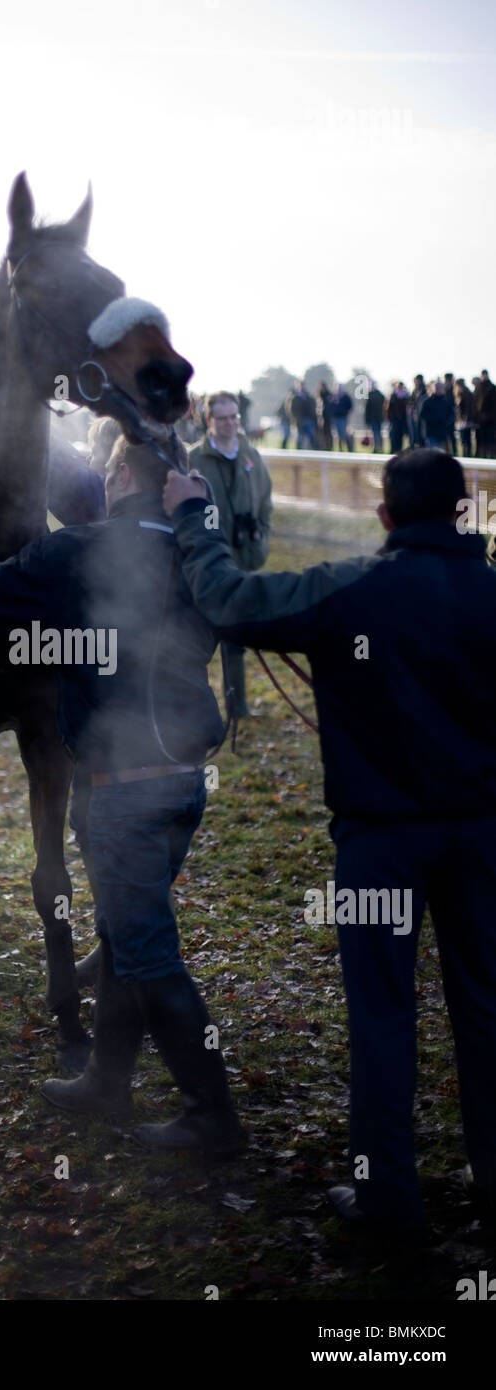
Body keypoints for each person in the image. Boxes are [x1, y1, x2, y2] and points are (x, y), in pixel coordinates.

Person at [0, 435, 246, 1160]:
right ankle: (108, 1076)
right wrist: (198, 518)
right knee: (121, 934)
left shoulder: (76, 552)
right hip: (185, 784)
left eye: (107, 465)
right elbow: (237, 603)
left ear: (118, 476)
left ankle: (211, 1109)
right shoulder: (200, 552)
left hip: (122, 791)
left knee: (144, 951)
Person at [163, 447, 496, 1235]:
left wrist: (193, 516)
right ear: (464, 510)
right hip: (485, 839)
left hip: (381, 842)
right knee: (485, 1011)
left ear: (384, 515)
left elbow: (228, 599)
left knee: (383, 1018)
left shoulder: (350, 589)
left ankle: (387, 1202)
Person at [187, 391, 272, 718]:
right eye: (222, 418)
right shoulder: (194, 459)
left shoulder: (251, 455)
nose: (230, 424)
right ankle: (193, 712)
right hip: (207, 559)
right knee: (200, 635)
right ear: (208, 420)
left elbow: (265, 500)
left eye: (234, 417)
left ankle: (238, 706)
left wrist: (260, 534)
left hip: (244, 556)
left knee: (236, 632)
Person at [418, 380, 453, 449]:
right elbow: (423, 415)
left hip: (443, 434)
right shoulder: (428, 402)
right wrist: (435, 419)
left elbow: (452, 415)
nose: (439, 389)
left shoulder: (446, 402)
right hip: (431, 434)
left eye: (441, 388)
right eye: (437, 388)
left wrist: (447, 421)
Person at [473, 369, 496, 458]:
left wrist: (489, 416)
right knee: (480, 442)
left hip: (490, 421)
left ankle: (490, 458)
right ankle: (481, 457)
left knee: (490, 442)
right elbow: (474, 405)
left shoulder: (492, 388)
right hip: (479, 421)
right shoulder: (478, 388)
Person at [288, 381, 317, 449]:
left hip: (308, 420)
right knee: (300, 438)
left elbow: (312, 408)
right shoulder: (294, 398)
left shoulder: (308, 397)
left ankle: (314, 451)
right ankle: (298, 452)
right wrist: (296, 419)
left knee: (311, 437)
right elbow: (291, 410)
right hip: (299, 421)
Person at [387, 381, 410, 454]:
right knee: (394, 436)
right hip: (395, 420)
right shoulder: (394, 395)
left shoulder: (406, 396)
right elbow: (390, 408)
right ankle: (394, 449)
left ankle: (398, 450)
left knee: (400, 436)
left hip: (402, 420)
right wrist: (391, 418)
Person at [454, 377, 475, 458]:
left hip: (464, 421)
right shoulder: (465, 392)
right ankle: (467, 455)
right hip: (464, 420)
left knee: (465, 440)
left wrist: (465, 418)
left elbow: (466, 407)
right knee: (466, 440)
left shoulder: (463, 393)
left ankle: (466, 456)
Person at [331, 384, 354, 451]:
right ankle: (340, 449)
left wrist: (345, 412)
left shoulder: (346, 397)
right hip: (335, 418)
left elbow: (350, 406)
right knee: (338, 435)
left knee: (343, 434)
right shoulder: (334, 397)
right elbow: (331, 406)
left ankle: (349, 448)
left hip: (343, 418)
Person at [364, 381, 385, 452]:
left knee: (376, 433)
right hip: (379, 418)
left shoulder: (370, 395)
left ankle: (377, 448)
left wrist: (367, 419)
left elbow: (367, 409)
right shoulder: (381, 395)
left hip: (373, 418)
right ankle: (379, 447)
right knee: (378, 433)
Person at [409, 374, 427, 446]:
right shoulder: (415, 390)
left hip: (422, 415)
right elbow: (412, 401)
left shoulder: (424, 390)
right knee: (416, 432)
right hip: (415, 415)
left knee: (422, 433)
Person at [316, 381, 333, 450]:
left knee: (328, 433)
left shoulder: (329, 396)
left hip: (327, 418)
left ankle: (329, 447)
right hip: (320, 418)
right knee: (321, 433)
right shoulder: (318, 396)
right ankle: (322, 447)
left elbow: (330, 407)